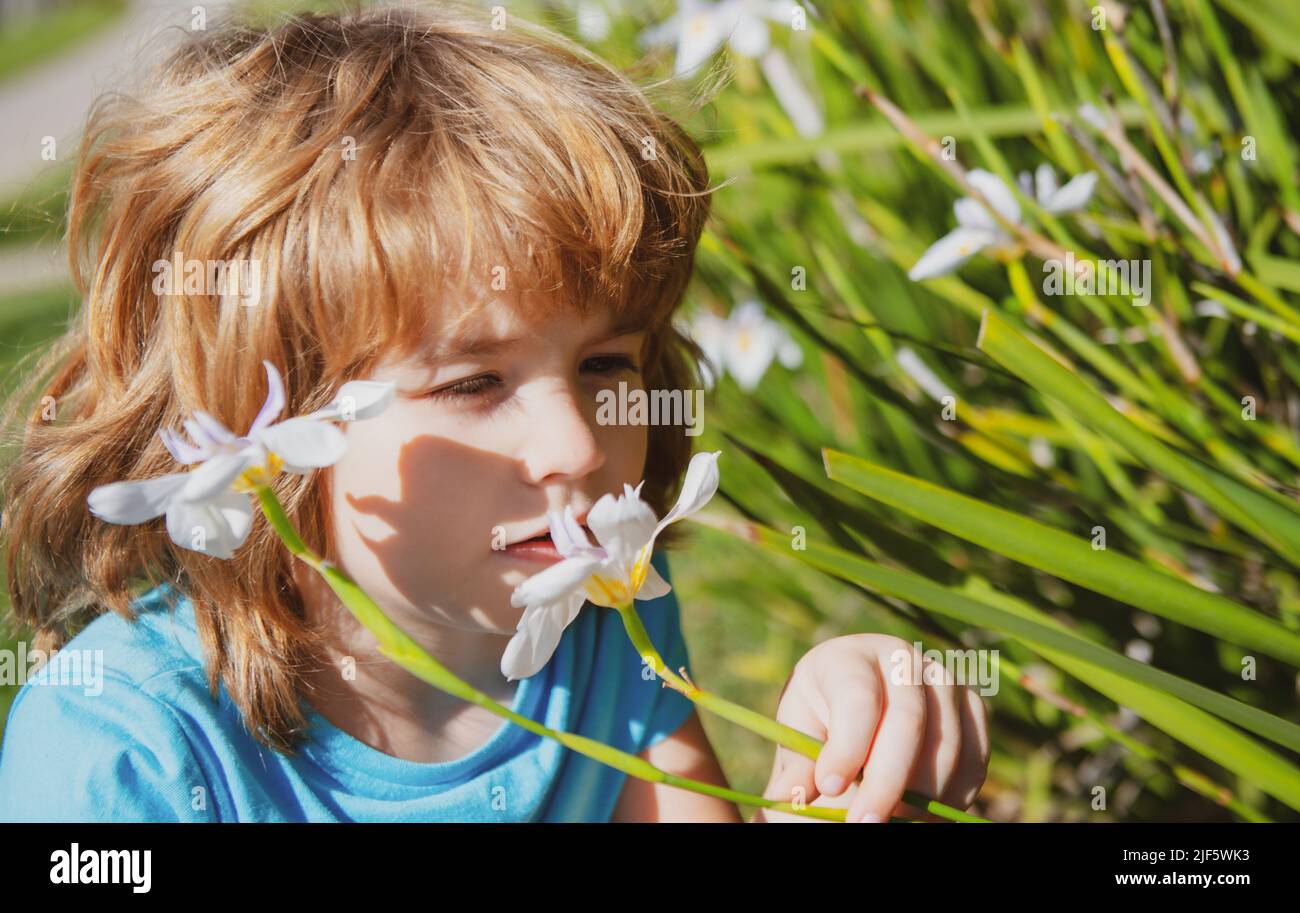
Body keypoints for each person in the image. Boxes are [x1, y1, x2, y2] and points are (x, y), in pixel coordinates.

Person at [0, 3, 987, 822]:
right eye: (472, 381)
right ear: (263, 421)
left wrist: (835, 763)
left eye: (605, 361)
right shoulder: (122, 756)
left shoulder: (597, 622)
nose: (575, 447)